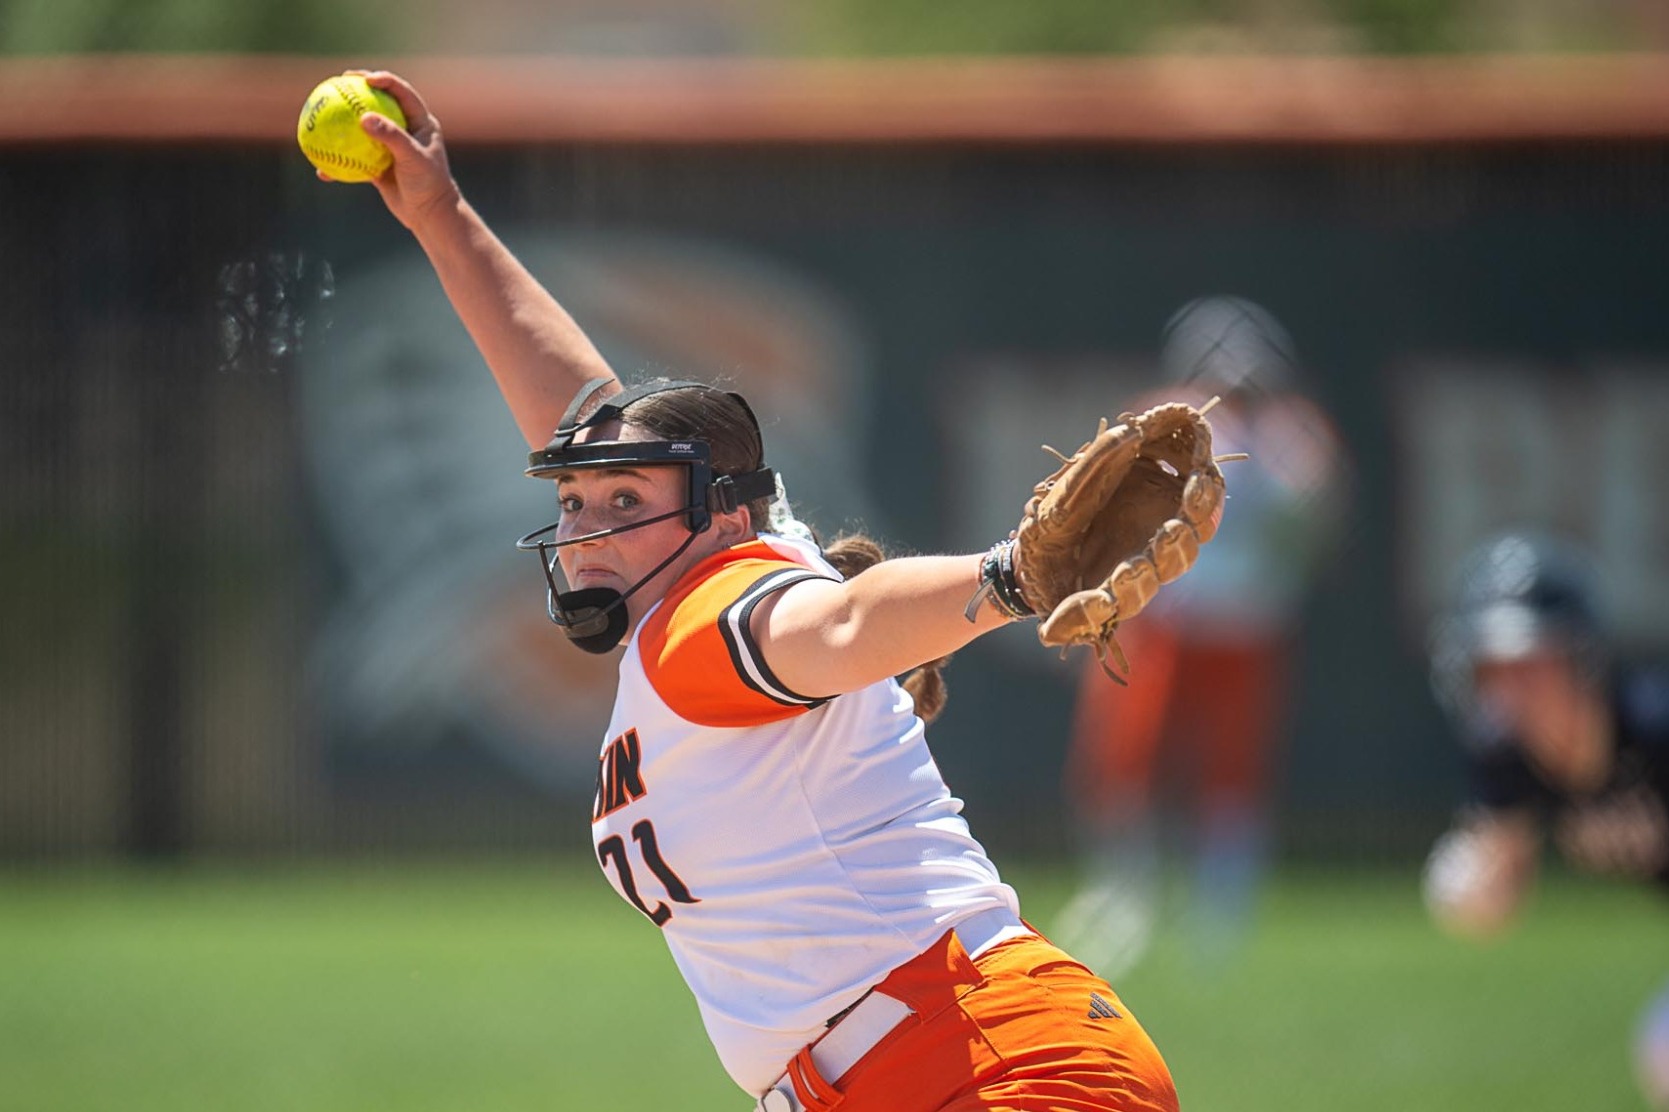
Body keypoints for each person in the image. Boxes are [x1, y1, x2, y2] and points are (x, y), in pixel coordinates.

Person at [320, 70, 1181, 1112]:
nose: (587, 525)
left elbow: (849, 622)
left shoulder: (719, 604)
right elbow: (581, 406)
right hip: (909, 1068)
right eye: (578, 501)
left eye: (623, 499)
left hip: (998, 1067)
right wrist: (442, 215)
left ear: (725, 510)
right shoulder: (698, 591)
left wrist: (1008, 575)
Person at [1057, 296, 1346, 978]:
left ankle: (1222, 916)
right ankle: (1122, 901)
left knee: (1232, 776)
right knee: (1123, 763)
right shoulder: (1160, 418)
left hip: (1247, 627)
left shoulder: (1291, 438)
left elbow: (1316, 521)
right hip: (1163, 617)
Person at [1421, 531, 1669, 1110]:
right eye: (1493, 667)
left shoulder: (1655, 729)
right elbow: (1496, 879)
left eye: (1531, 662)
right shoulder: (1507, 757)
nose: (1511, 688)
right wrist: (1476, 883)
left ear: (1580, 659)